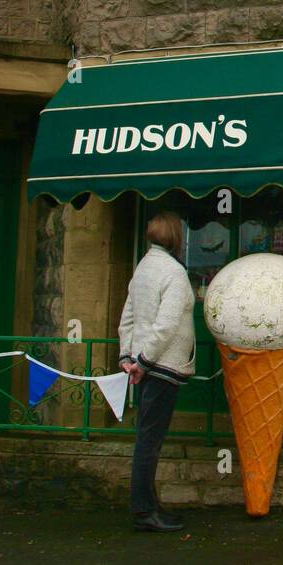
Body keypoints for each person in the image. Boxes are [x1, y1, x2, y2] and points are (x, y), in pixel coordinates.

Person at [119, 211, 196, 532]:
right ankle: (144, 512)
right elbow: (166, 324)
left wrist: (128, 356)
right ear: (176, 238)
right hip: (161, 366)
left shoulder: (143, 268)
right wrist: (145, 361)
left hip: (146, 365)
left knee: (146, 437)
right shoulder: (174, 274)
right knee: (149, 441)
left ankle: (148, 505)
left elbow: (128, 317)